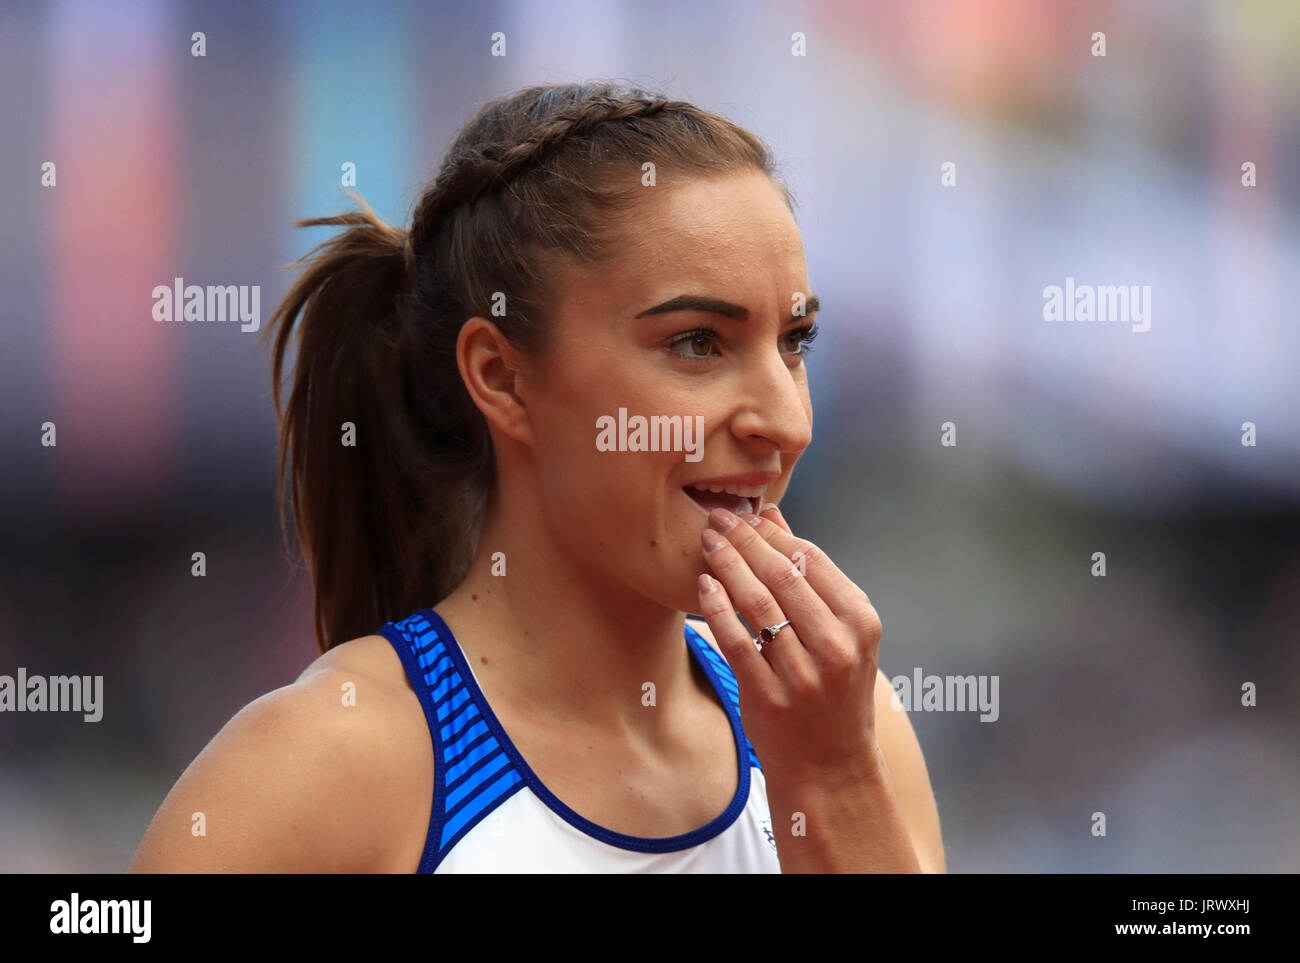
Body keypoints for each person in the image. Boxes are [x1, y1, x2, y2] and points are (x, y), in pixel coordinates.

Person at [129, 81, 945, 873]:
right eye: (697, 342)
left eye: (794, 342)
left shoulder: (845, 726)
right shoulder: (324, 767)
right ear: (503, 378)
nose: (787, 421)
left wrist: (834, 784)